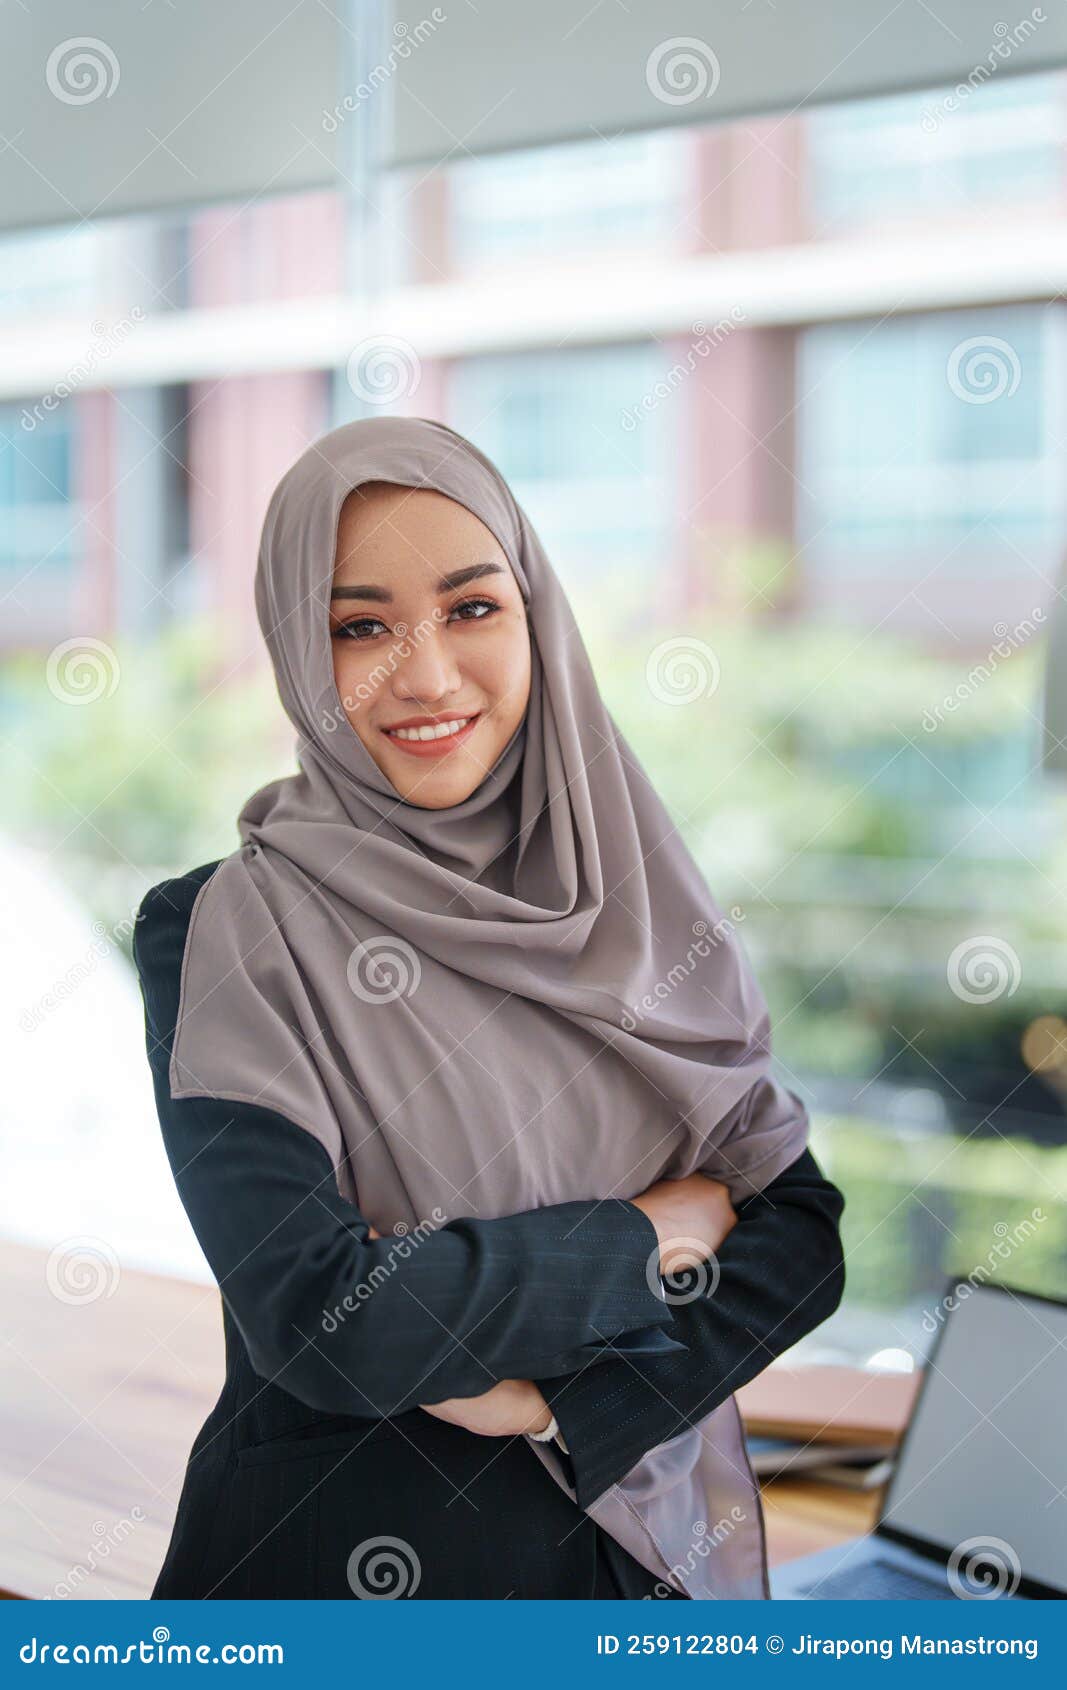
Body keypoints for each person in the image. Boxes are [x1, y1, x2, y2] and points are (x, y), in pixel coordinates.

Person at [133, 416, 846, 1600]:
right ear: (300, 659)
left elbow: (799, 1231)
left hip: (646, 1579)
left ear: (536, 620)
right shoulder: (223, 928)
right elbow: (325, 1315)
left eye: (471, 608)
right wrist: (651, 1233)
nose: (423, 675)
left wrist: (573, 1403)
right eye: (359, 626)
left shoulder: (634, 893)